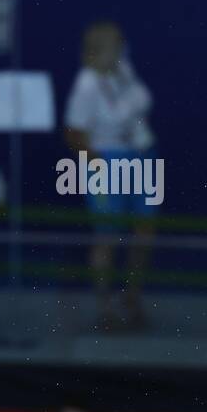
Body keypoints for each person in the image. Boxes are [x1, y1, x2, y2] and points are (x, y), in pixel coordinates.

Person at [64, 21, 158, 330]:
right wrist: (100, 166)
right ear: (101, 50)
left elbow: (141, 106)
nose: (122, 50)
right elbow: (74, 135)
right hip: (105, 160)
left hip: (139, 157)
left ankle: (131, 297)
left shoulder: (124, 72)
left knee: (145, 232)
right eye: (116, 46)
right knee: (107, 238)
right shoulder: (86, 83)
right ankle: (105, 307)